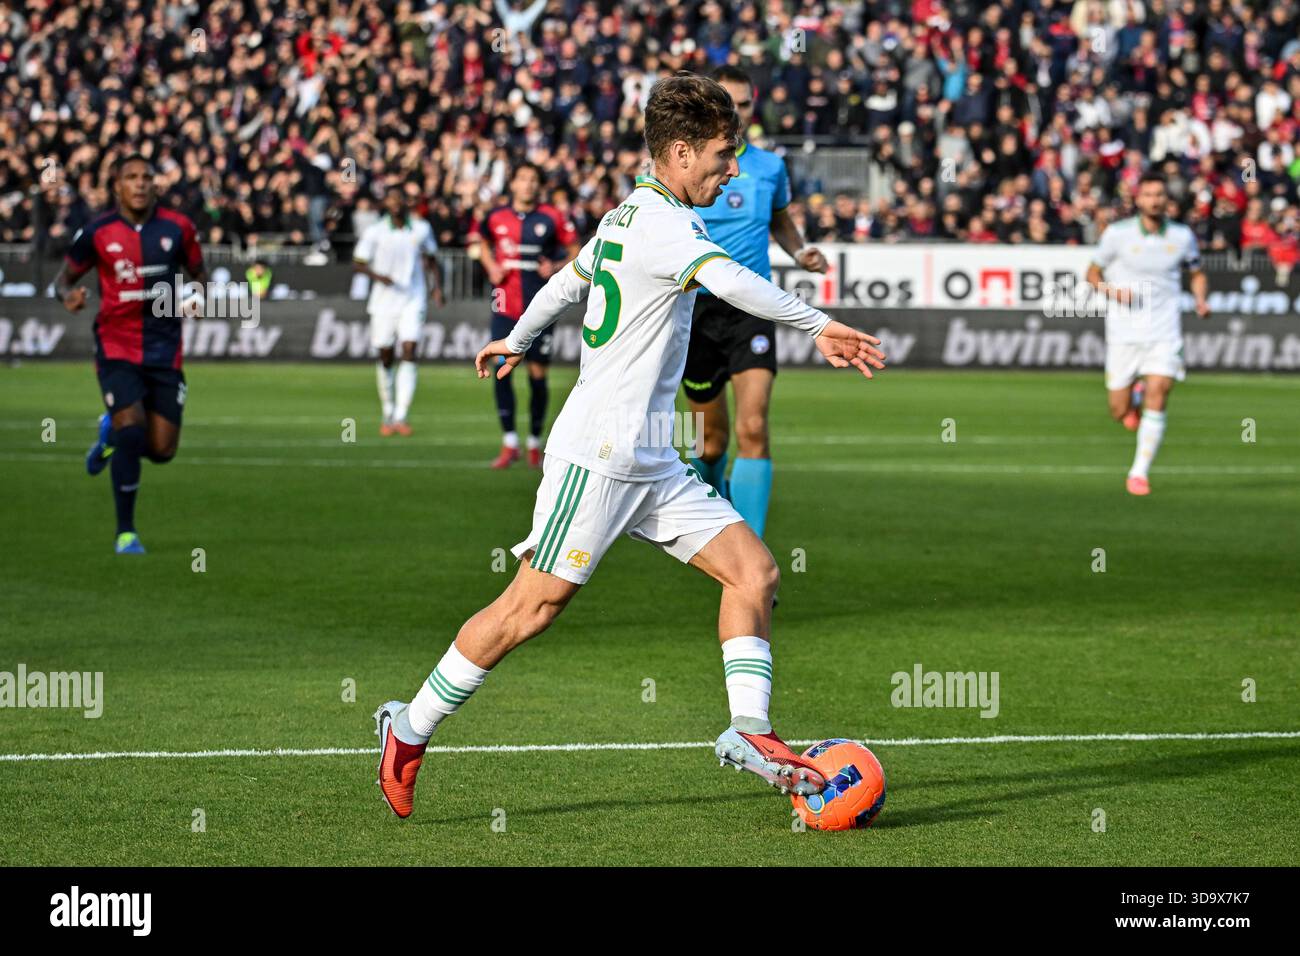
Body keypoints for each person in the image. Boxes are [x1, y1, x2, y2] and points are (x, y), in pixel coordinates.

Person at [374, 74, 887, 818]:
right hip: (600, 453)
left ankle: (752, 732)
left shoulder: (630, 213)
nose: (732, 169)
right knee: (531, 608)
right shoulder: (664, 227)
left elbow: (562, 282)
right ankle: (409, 729)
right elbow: (735, 284)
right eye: (721, 155)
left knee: (754, 572)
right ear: (678, 153)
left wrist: (517, 337)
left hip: (651, 453)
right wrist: (820, 325)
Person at [683, 65, 829, 539]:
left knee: (753, 428)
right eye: (728, 102)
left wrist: (800, 250)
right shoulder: (684, 166)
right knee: (708, 443)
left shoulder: (769, 166)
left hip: (751, 309)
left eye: (744, 104)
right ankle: (713, 527)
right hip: (693, 309)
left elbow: (781, 222)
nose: (737, 112)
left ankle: (753, 556)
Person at [56, 153, 206, 554]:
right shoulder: (97, 232)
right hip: (116, 345)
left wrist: (196, 295)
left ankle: (108, 436)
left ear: (155, 184)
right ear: (117, 186)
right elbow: (63, 279)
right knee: (133, 428)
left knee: (161, 450)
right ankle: (126, 532)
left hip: (164, 349)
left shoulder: (179, 228)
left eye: (146, 177)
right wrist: (67, 296)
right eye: (131, 177)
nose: (140, 183)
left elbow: (199, 274)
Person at [1086, 172, 1210, 496]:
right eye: (1148, 195)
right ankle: (1133, 399)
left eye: (1159, 195)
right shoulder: (1117, 234)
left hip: (1165, 329)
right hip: (1125, 331)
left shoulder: (1182, 236)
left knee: (1161, 389)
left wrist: (1199, 298)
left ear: (1166, 200)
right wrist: (1112, 292)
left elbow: (1197, 273)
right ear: (1138, 200)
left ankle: (1138, 472)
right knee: (1118, 410)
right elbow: (1092, 273)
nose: (1154, 200)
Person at [472, 163, 579, 467]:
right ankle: (509, 442)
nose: (528, 185)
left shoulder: (552, 216)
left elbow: (575, 249)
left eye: (533, 180)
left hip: (540, 308)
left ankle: (534, 441)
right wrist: (491, 265)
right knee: (502, 368)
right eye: (523, 179)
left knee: (537, 373)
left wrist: (556, 268)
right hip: (504, 304)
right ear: (513, 184)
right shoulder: (495, 216)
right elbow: (481, 242)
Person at [352, 186, 443, 436]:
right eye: (391, 199)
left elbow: (432, 258)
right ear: (385, 204)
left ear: (406, 202)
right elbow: (358, 263)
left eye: (399, 198)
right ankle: (388, 410)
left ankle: (401, 415)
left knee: (410, 349)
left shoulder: (421, 228)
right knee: (385, 355)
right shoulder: (375, 231)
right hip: (383, 302)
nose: (395, 203)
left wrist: (437, 288)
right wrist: (377, 276)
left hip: (413, 298)